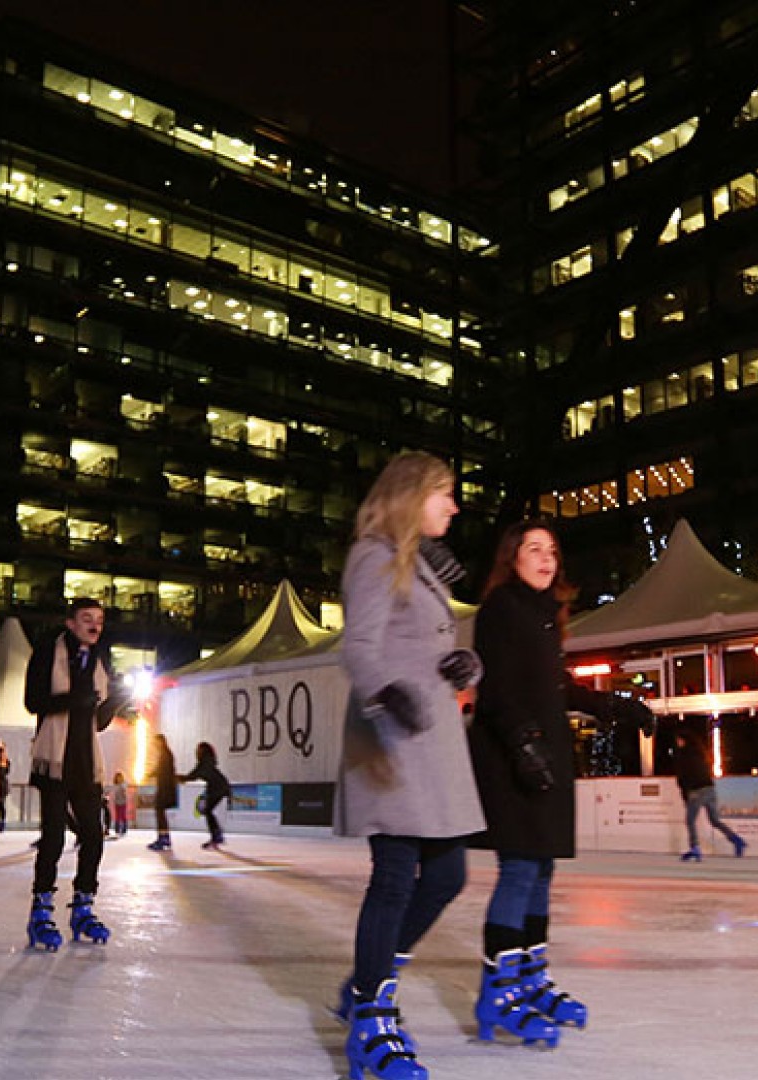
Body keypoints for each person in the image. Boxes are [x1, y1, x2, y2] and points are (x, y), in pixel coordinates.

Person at [332, 451, 491, 1078]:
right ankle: (372, 1018)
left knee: (447, 875)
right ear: (411, 495)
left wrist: (463, 665)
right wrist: (386, 693)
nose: (453, 506)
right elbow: (359, 647)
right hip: (394, 738)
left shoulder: (421, 562)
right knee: (396, 878)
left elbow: (428, 643)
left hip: (433, 740)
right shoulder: (374, 556)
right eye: (443, 493)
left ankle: (366, 982)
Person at [468, 520, 654, 1042]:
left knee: (541, 871)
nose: (546, 558)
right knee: (519, 870)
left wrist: (615, 705)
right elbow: (496, 688)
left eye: (551, 550)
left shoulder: (545, 615)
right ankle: (498, 991)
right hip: (513, 757)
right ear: (512, 558)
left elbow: (556, 688)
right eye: (534, 549)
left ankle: (530, 980)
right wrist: (523, 744)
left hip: (545, 756)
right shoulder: (501, 607)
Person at [24, 596, 132, 949]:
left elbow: (97, 721)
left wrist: (114, 701)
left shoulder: (99, 659)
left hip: (86, 759)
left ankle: (83, 906)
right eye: (86, 618)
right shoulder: (48, 651)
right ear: (70, 623)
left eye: (98, 619)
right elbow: (33, 702)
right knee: (53, 838)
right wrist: (74, 698)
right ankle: (41, 911)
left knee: (94, 836)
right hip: (54, 757)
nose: (94, 625)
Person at [675, 727, 746, 861]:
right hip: (710, 789)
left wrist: (685, 795)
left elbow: (683, 776)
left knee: (690, 821)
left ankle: (695, 848)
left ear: (683, 740)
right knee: (714, 820)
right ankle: (736, 840)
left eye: (678, 740)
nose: (677, 743)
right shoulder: (699, 753)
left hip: (696, 790)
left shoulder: (683, 755)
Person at [183, 741, 232, 850]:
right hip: (220, 787)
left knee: (208, 811)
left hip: (218, 788)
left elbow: (192, 776)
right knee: (208, 811)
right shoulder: (207, 762)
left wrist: (176, 778)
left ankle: (216, 836)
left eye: (198, 750)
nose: (196, 752)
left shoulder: (205, 763)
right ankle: (217, 835)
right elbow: (193, 776)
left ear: (203, 751)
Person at [147, 734, 178, 851]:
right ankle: (164, 837)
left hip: (165, 788)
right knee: (160, 812)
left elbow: (164, 772)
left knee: (159, 811)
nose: (154, 745)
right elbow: (161, 770)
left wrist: (152, 774)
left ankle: (163, 838)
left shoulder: (165, 755)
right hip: (164, 787)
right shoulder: (165, 754)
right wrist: (151, 774)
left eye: (156, 743)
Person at [107, 771, 132, 838]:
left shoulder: (123, 784)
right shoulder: (115, 785)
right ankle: (117, 830)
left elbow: (125, 790)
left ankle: (124, 830)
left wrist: (123, 787)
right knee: (117, 816)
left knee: (123, 815)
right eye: (118, 778)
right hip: (117, 802)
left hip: (123, 802)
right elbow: (112, 791)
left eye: (120, 777)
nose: (119, 779)